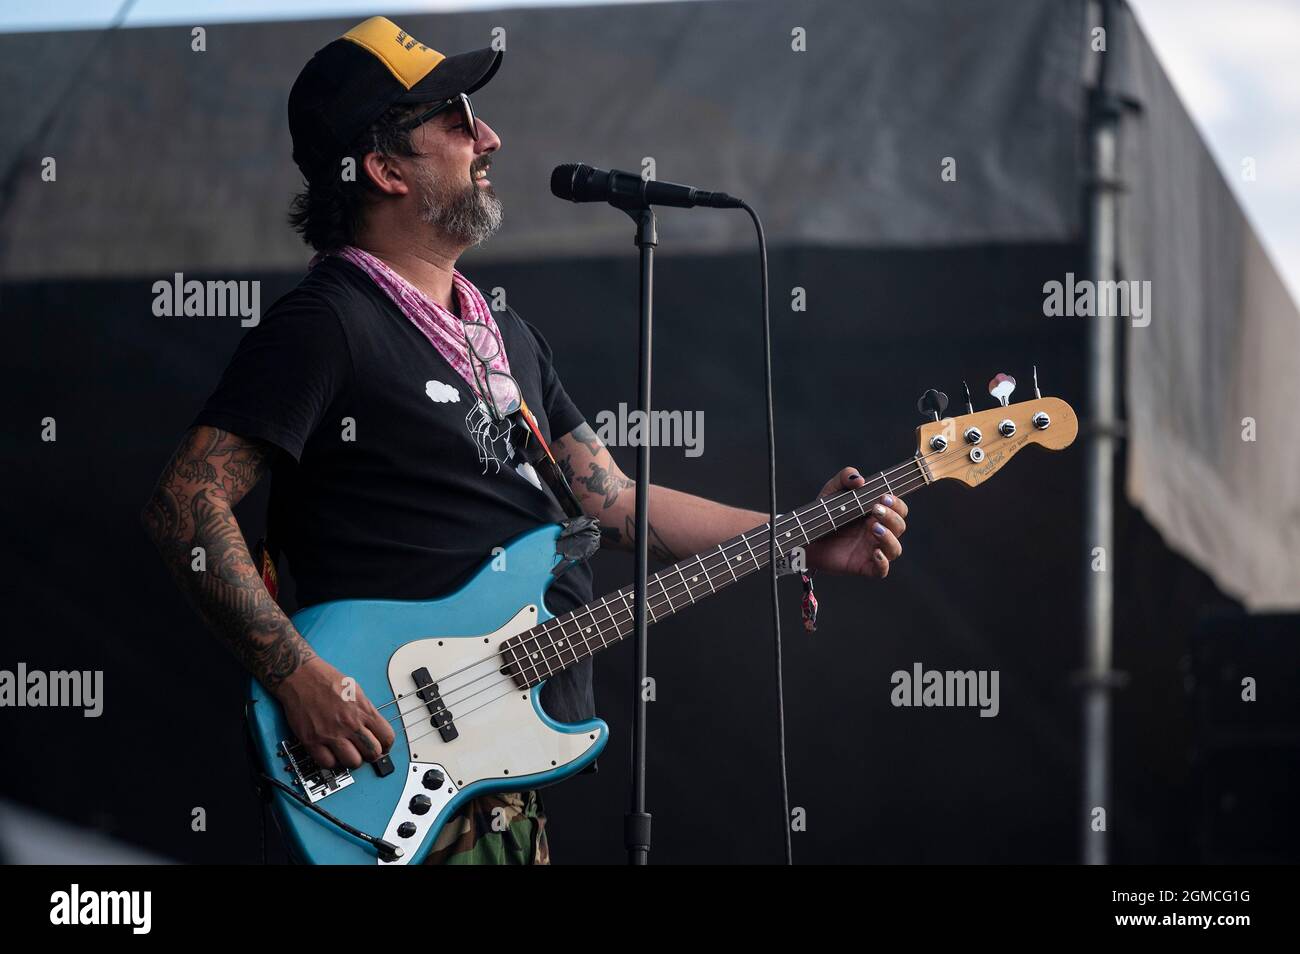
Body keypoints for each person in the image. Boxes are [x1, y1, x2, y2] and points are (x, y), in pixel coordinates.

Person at [141, 16, 909, 865]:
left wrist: (796, 535)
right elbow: (185, 503)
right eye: (457, 118)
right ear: (385, 167)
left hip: (498, 794)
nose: (490, 136)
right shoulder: (328, 326)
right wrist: (296, 676)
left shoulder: (504, 332)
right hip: (383, 777)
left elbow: (610, 503)